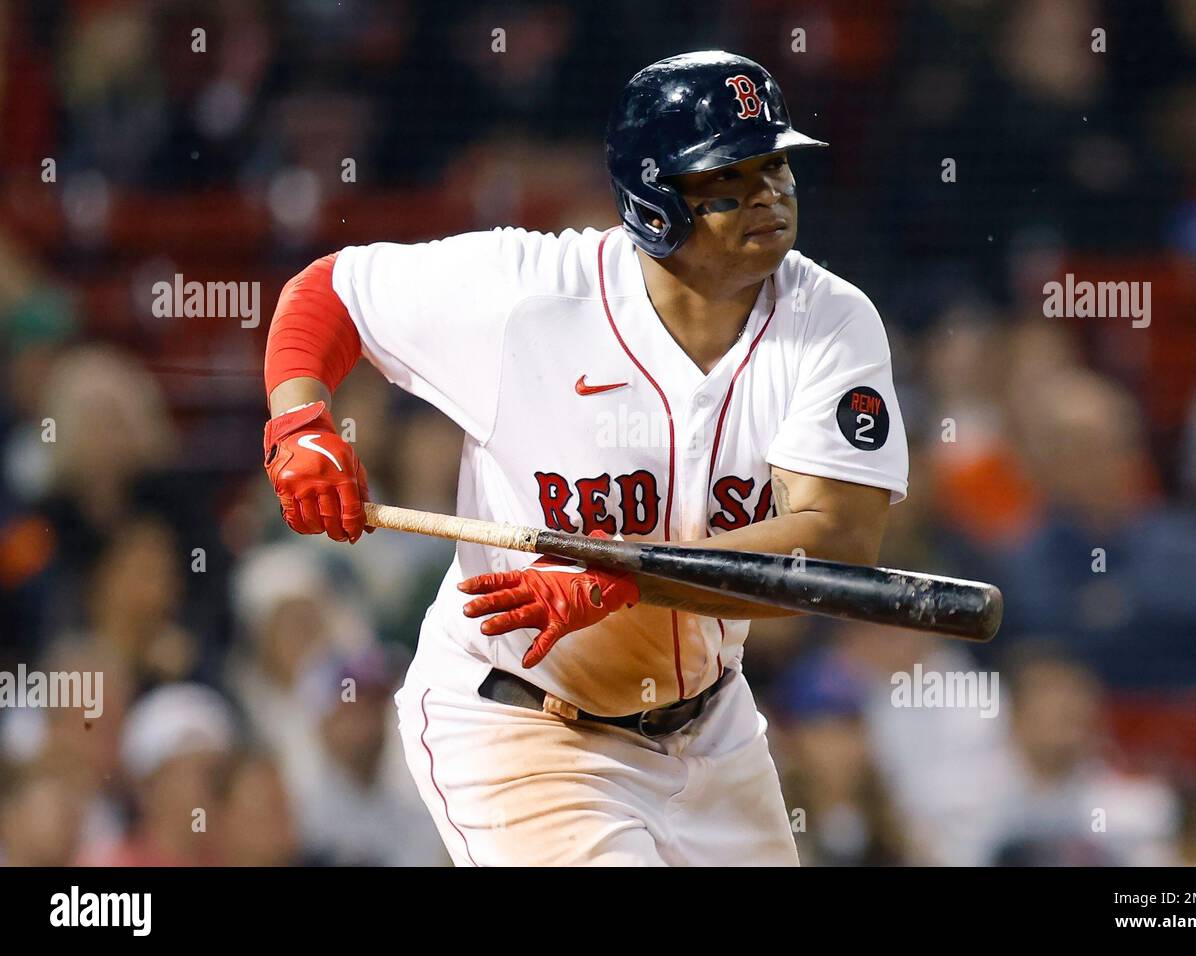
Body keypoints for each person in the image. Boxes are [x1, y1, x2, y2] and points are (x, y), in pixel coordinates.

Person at [260, 51, 909, 866]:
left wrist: (621, 576)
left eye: (775, 164)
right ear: (654, 203)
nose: (770, 195)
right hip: (525, 723)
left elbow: (837, 546)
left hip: (711, 729)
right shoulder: (527, 295)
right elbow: (329, 293)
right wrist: (300, 424)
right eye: (728, 180)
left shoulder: (832, 321)